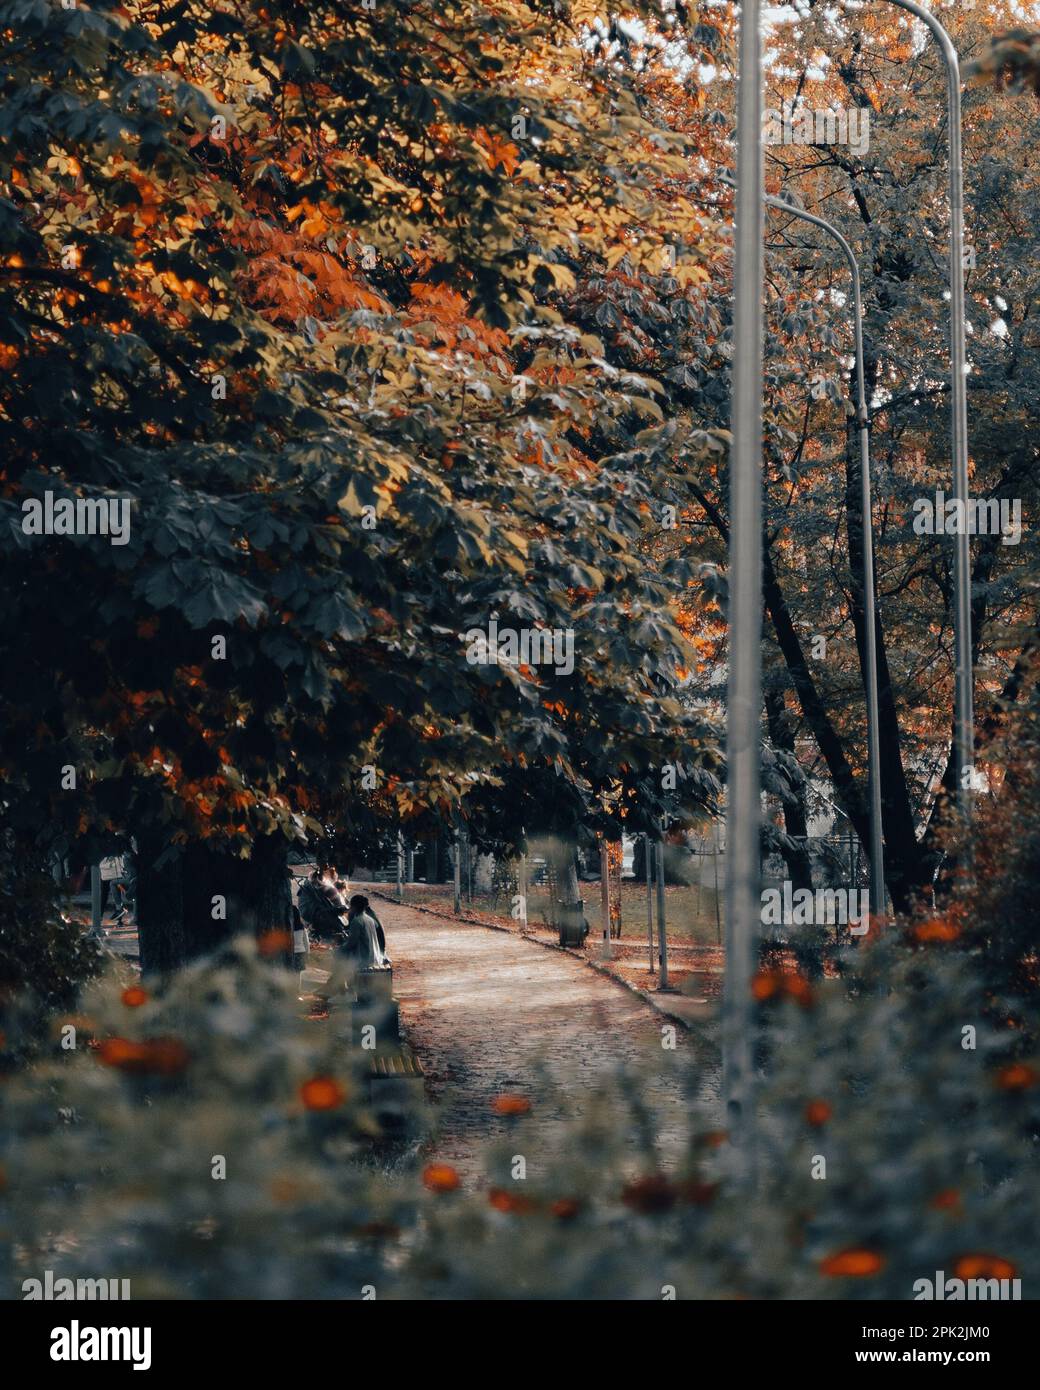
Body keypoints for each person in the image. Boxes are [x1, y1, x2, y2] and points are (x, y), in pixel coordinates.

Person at [348, 894, 389, 963]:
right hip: (376, 951)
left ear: (354, 907)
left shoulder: (358, 920)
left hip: (367, 957)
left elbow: (351, 943)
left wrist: (339, 950)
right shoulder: (369, 917)